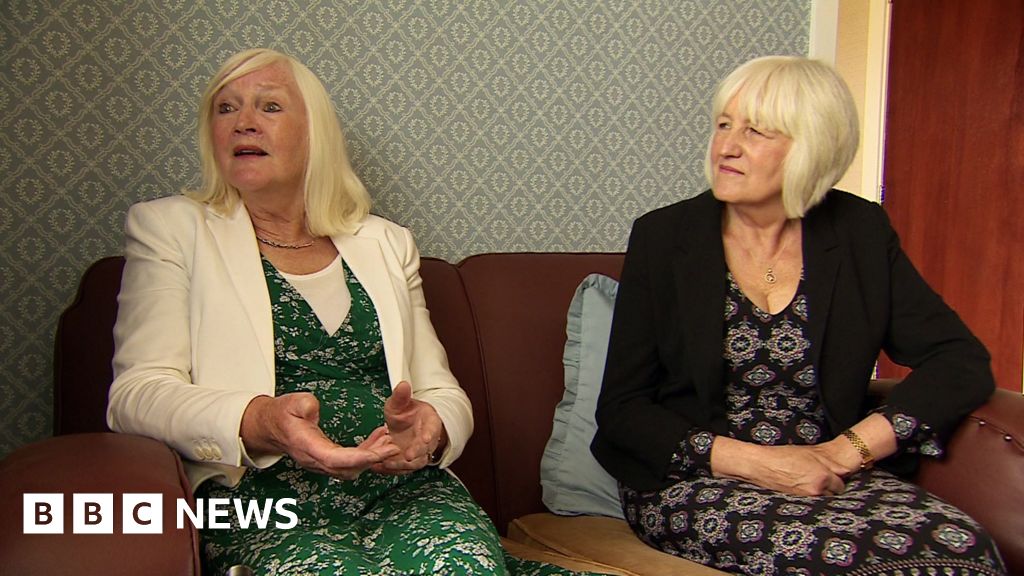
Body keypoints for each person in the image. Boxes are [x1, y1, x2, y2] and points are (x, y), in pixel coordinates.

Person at [107, 48, 594, 576]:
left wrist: (429, 432)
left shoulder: (386, 243)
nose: (244, 122)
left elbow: (441, 393)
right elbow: (135, 396)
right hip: (258, 499)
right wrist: (259, 420)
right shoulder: (170, 230)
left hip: (402, 491)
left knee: (463, 567)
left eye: (269, 107)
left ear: (315, 132)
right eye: (226, 109)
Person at [591, 55, 1006, 575]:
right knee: (845, 562)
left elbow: (959, 360)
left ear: (812, 147)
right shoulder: (664, 236)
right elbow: (623, 408)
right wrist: (764, 465)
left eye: (756, 132)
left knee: (965, 551)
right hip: (698, 477)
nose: (727, 146)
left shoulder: (859, 232)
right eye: (724, 125)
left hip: (832, 474)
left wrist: (844, 453)